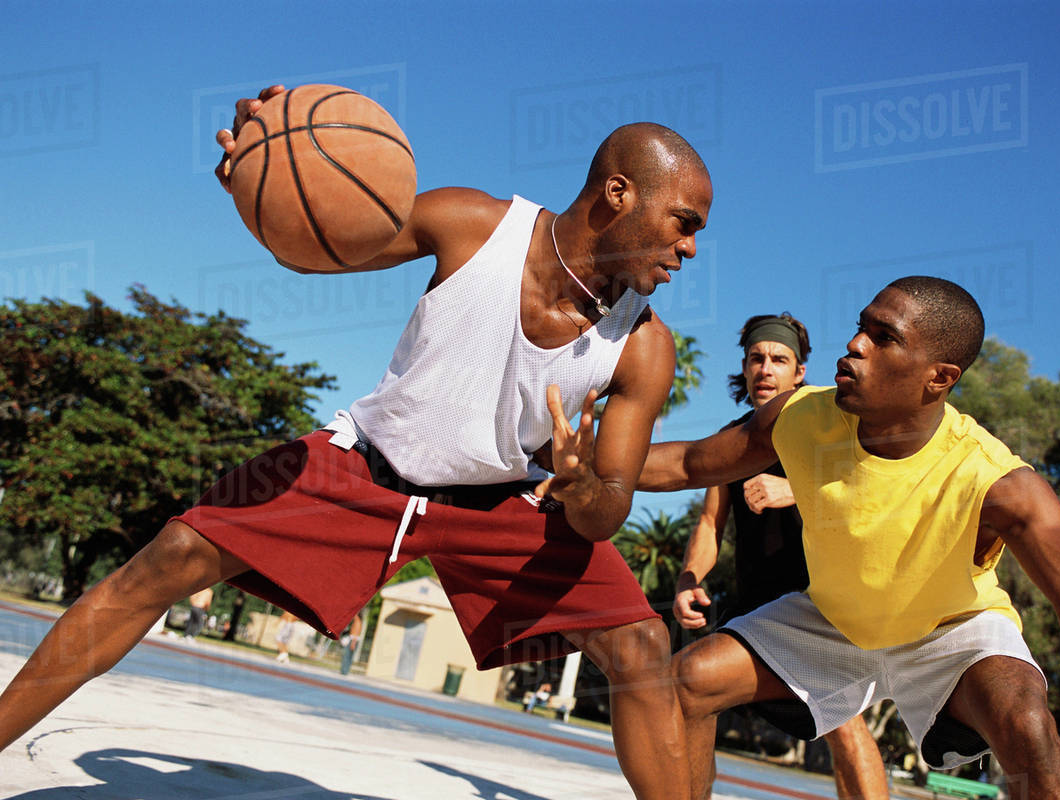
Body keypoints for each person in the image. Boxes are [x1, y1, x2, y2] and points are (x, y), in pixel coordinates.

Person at [0, 86, 712, 800]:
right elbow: (322, 253)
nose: (688, 248)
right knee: (173, 554)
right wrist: (262, 181)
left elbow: (604, 512)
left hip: (500, 506)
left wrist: (583, 483)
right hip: (366, 469)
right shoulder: (473, 224)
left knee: (641, 646)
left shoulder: (644, 347)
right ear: (618, 193)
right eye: (684, 223)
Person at [549, 276, 1060, 799]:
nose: (854, 345)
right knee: (686, 682)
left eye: (882, 338)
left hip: (951, 628)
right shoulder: (804, 415)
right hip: (832, 618)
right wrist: (582, 466)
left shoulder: (994, 480)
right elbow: (693, 462)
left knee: (1026, 720)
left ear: (937, 378)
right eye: (862, 324)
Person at [673, 312, 888, 799]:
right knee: (692, 694)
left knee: (844, 724)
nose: (765, 368)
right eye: (756, 358)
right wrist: (689, 577)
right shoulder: (733, 440)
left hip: (822, 608)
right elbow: (710, 522)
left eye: (779, 359)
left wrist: (798, 489)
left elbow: (874, 496)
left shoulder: (830, 427)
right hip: (758, 608)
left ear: (800, 373)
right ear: (745, 369)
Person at [339, 611, 363, 675]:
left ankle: (344, 671)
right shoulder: (356, 622)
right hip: (352, 640)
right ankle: (344, 671)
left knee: (347, 656)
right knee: (347, 656)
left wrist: (353, 643)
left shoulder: (358, 622)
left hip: (353, 641)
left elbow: (356, 634)